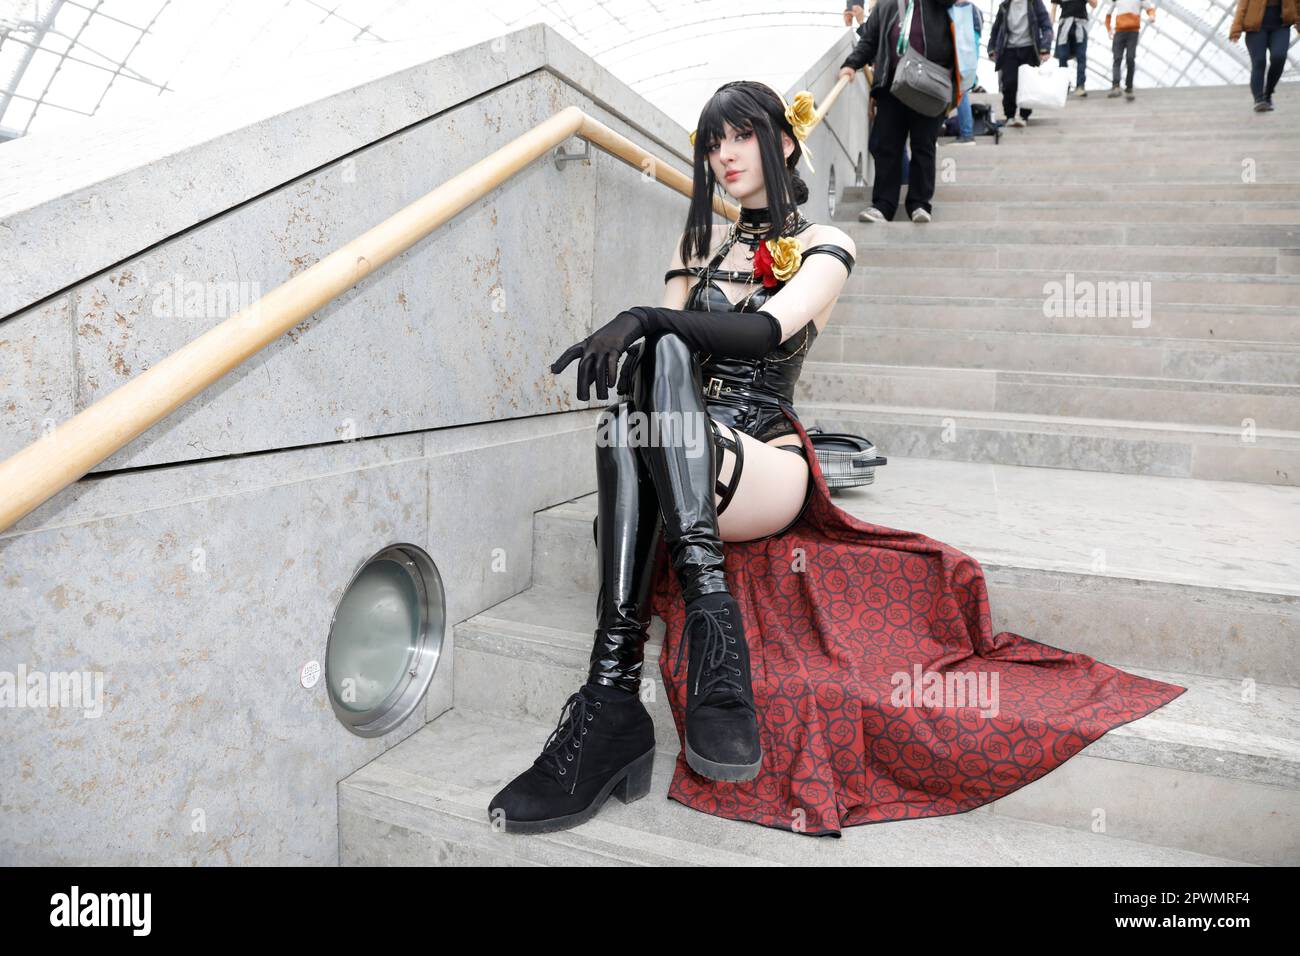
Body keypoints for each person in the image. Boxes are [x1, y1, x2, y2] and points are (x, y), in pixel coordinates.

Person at [488, 80, 1188, 836]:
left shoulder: (828, 242)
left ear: (783, 142)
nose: (723, 155)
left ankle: (674, 655)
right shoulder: (697, 245)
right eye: (711, 143)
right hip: (685, 452)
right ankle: (615, 701)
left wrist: (642, 317)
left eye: (740, 136)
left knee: (655, 346)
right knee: (644, 384)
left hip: (762, 459)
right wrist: (651, 337)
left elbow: (762, 337)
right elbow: (671, 374)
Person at [839, 0, 961, 223]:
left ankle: (920, 204)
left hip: (928, 85)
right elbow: (869, 41)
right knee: (886, 146)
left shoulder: (939, 4)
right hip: (891, 86)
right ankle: (883, 205)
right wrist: (850, 64)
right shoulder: (886, 6)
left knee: (923, 145)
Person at [989, 0, 1055, 127]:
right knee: (1009, 83)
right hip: (1008, 49)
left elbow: (1046, 26)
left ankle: (1024, 116)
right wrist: (992, 49)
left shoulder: (1034, 3)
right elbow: (996, 29)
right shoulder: (1005, 5)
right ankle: (1010, 115)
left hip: (1029, 49)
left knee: (1026, 85)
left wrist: (1045, 48)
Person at [1229, 0, 1300, 111]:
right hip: (1255, 28)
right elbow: (1242, 6)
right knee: (1259, 61)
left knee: (1279, 57)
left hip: (1281, 27)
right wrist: (1235, 30)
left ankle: (1268, 93)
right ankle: (1259, 99)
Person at [1101, 0, 1156, 100]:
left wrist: (1152, 16)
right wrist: (1109, 29)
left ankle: (1129, 86)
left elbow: (1150, 8)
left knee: (1130, 58)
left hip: (1133, 32)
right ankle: (1116, 86)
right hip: (1119, 33)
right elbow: (1108, 14)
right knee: (1117, 58)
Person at [953, 0, 985, 143]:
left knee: (960, 91)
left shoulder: (963, 11)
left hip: (960, 59)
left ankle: (967, 134)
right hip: (966, 61)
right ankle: (966, 133)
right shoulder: (974, 11)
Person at [1052, 0, 1099, 96]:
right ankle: (1064, 85)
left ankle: (1080, 85)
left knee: (1081, 56)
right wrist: (1050, 27)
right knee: (1062, 56)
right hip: (1065, 25)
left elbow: (1094, 4)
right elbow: (1053, 8)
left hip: (1080, 24)